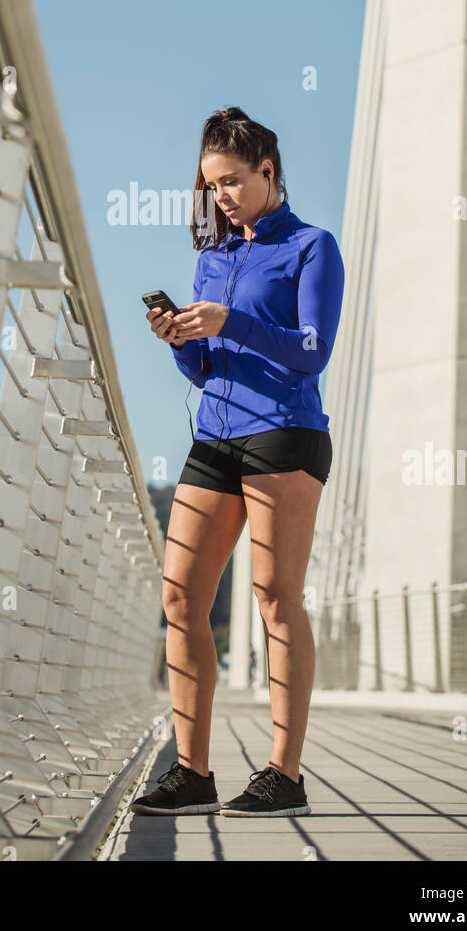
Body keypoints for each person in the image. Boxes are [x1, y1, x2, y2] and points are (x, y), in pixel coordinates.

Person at [131, 106, 344, 818]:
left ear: (266, 171)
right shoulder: (212, 258)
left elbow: (311, 350)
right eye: (210, 185)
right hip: (216, 437)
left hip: (285, 433)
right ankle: (193, 772)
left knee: (274, 595)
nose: (220, 196)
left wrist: (232, 321)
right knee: (180, 597)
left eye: (230, 181)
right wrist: (181, 341)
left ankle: (282, 775)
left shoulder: (312, 247)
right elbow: (209, 371)